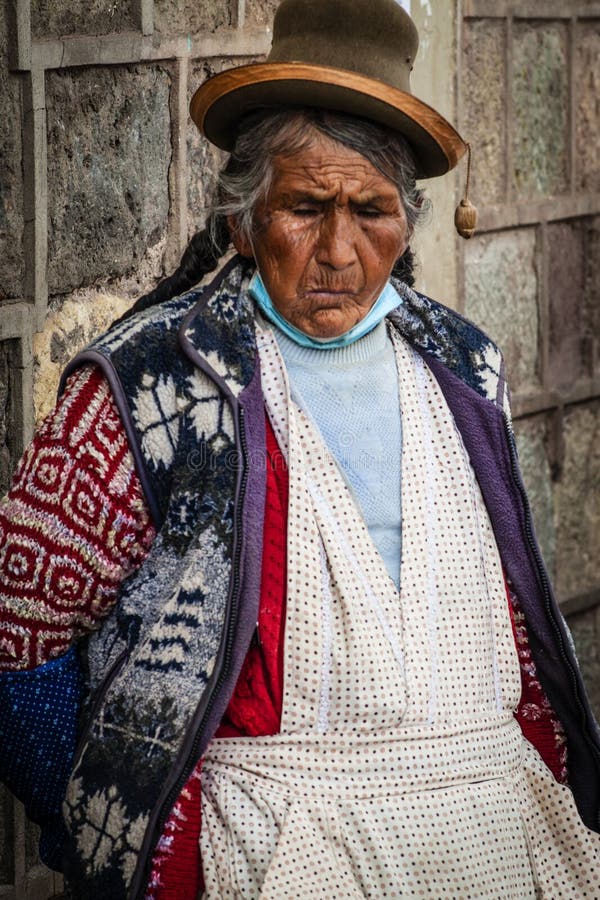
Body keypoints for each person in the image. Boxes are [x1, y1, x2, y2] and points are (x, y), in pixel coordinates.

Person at [1, 0, 600, 897]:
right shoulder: (153, 380)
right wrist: (129, 829)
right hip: (265, 848)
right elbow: (17, 632)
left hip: (490, 833)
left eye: (371, 211)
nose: (339, 250)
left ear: (407, 224)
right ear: (244, 221)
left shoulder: (466, 366)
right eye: (306, 207)